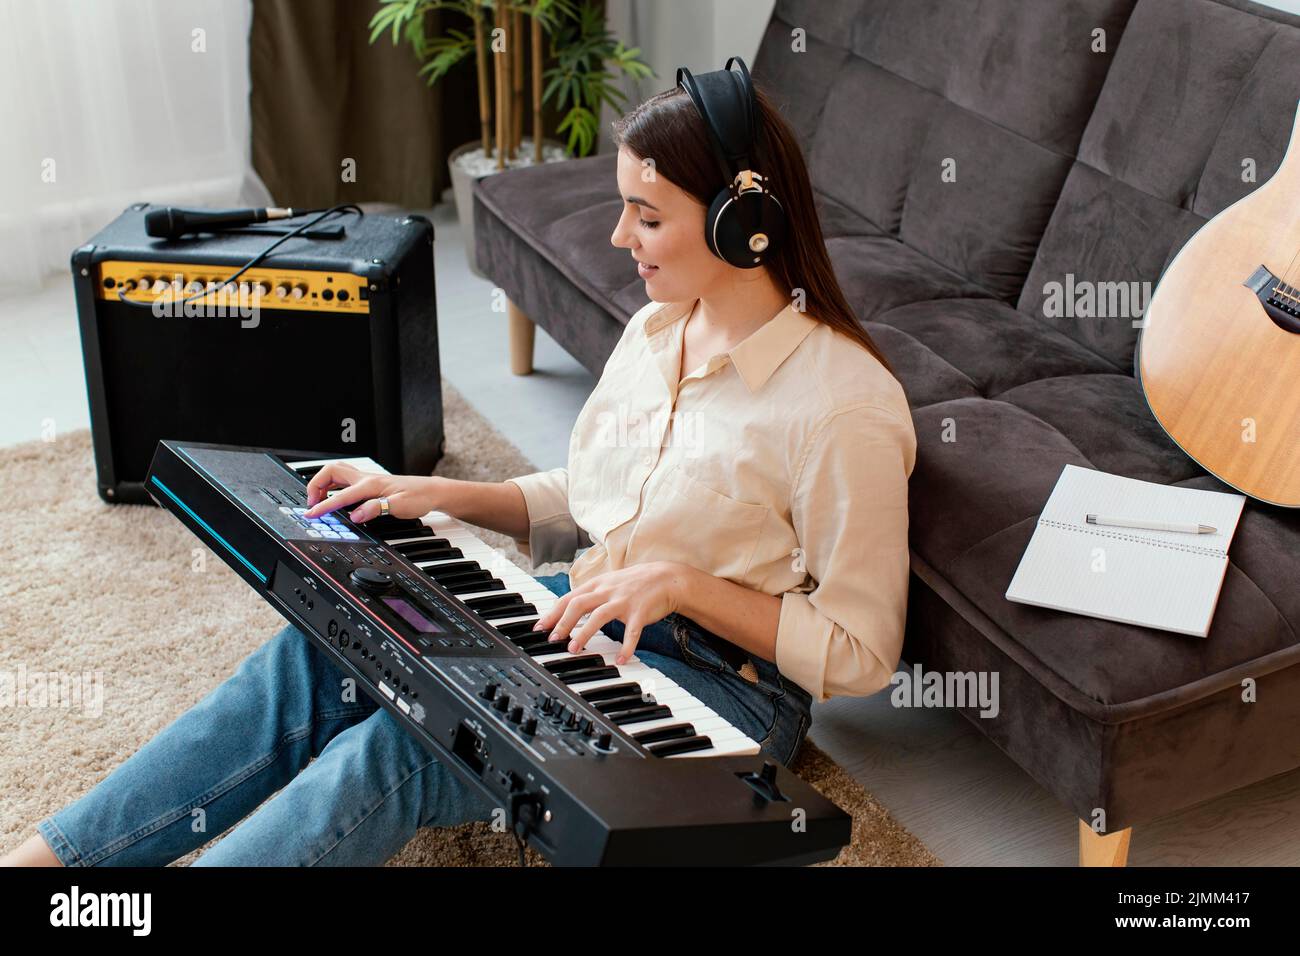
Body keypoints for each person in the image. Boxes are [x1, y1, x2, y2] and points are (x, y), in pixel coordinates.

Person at [1, 69, 915, 867]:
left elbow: (863, 653)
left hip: (721, 695)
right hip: (574, 618)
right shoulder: (656, 330)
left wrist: (682, 586)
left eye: (646, 215)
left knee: (406, 748)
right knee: (323, 650)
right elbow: (596, 501)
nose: (617, 237)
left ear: (741, 224)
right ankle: (49, 862)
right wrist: (438, 495)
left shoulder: (842, 406)